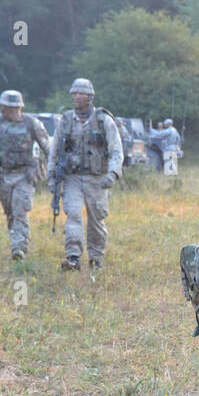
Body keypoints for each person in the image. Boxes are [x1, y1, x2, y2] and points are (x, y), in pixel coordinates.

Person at [47, 78, 122, 270]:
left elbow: (116, 150)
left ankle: (96, 258)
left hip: (97, 179)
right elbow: (54, 150)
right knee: (73, 215)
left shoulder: (103, 120)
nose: (77, 97)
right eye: (75, 93)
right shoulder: (65, 121)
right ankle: (73, 257)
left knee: (96, 221)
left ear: (90, 96)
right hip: (72, 178)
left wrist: (113, 173)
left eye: (81, 93)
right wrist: (51, 175)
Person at [0, 90, 51, 261]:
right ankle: (17, 240)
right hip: (3, 176)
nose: (4, 110)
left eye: (9, 107)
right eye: (3, 106)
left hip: (26, 175)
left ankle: (19, 248)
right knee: (10, 213)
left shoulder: (33, 124)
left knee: (20, 211)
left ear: (18, 107)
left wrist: (53, 172)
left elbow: (48, 149)